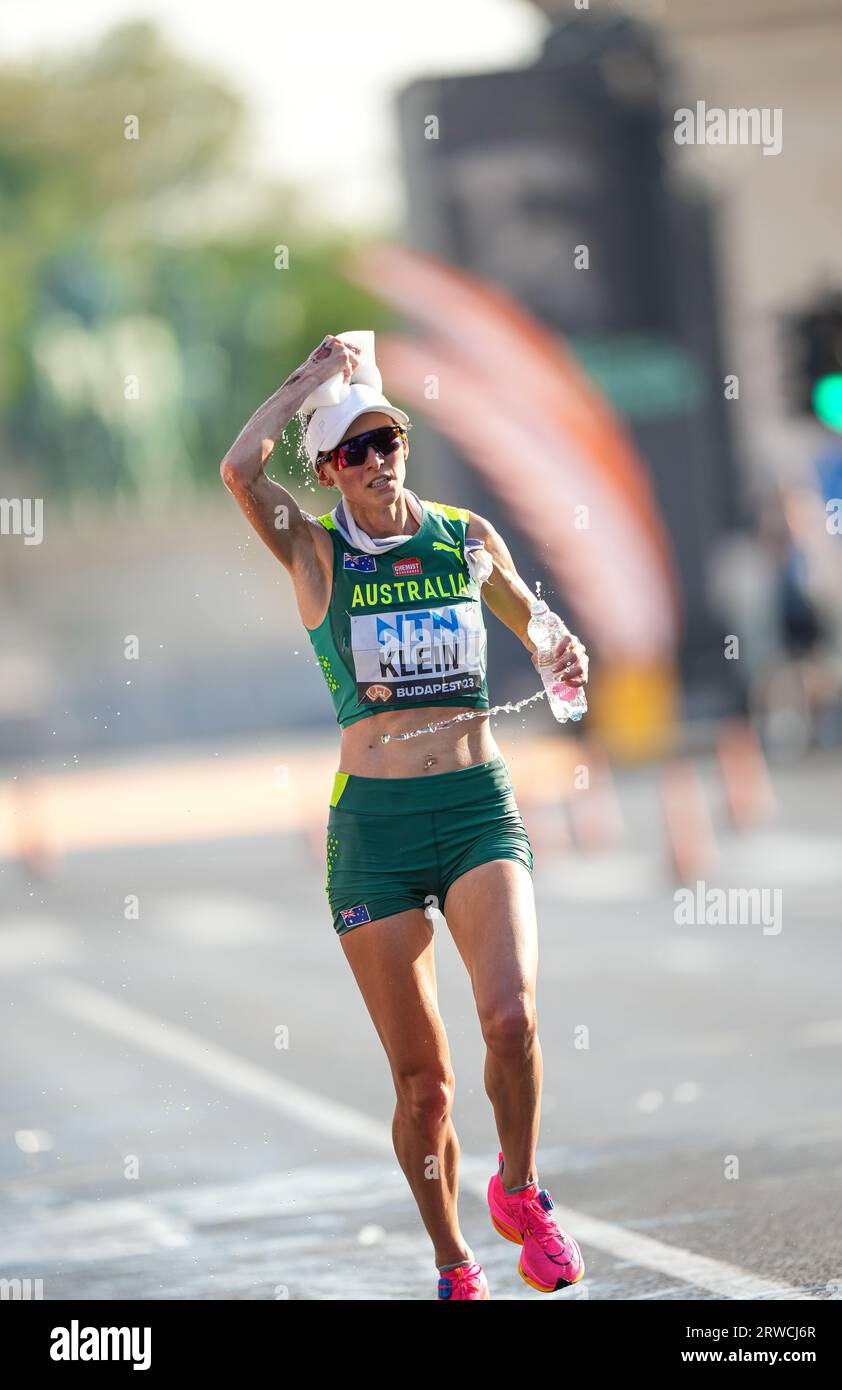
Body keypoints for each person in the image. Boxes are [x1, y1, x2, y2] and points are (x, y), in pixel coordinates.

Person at [220, 334, 589, 1300]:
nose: (376, 463)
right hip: (374, 835)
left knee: (510, 1018)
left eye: (386, 442)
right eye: (353, 451)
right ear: (329, 469)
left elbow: (528, 613)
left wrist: (559, 646)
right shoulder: (314, 551)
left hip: (475, 806)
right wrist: (305, 381)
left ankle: (520, 1189)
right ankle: (454, 1260)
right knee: (425, 1088)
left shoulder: (464, 536)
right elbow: (236, 468)